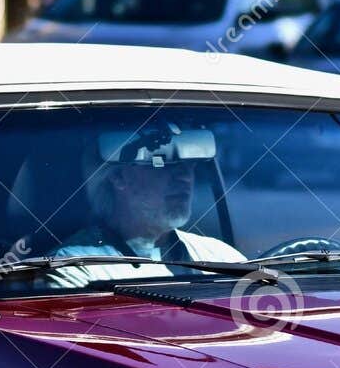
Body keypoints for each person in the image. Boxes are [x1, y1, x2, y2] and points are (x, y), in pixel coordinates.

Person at [45, 122, 243, 289]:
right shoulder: (75, 269)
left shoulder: (220, 256)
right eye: (162, 162)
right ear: (118, 176)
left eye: (189, 164)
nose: (185, 177)